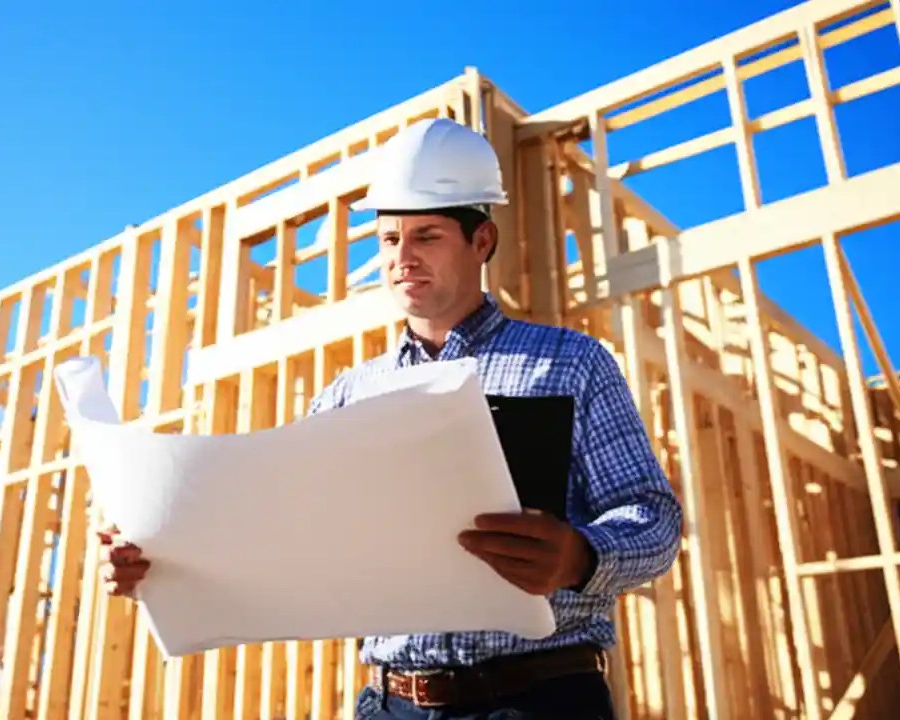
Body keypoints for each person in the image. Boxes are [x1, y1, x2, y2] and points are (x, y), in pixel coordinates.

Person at [96, 117, 683, 719]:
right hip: (390, 704)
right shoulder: (349, 396)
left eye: (426, 236)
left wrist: (580, 557)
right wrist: (162, 564)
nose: (402, 257)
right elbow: (283, 541)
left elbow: (654, 519)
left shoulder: (570, 364)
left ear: (482, 240)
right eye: (388, 239)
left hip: (541, 699)